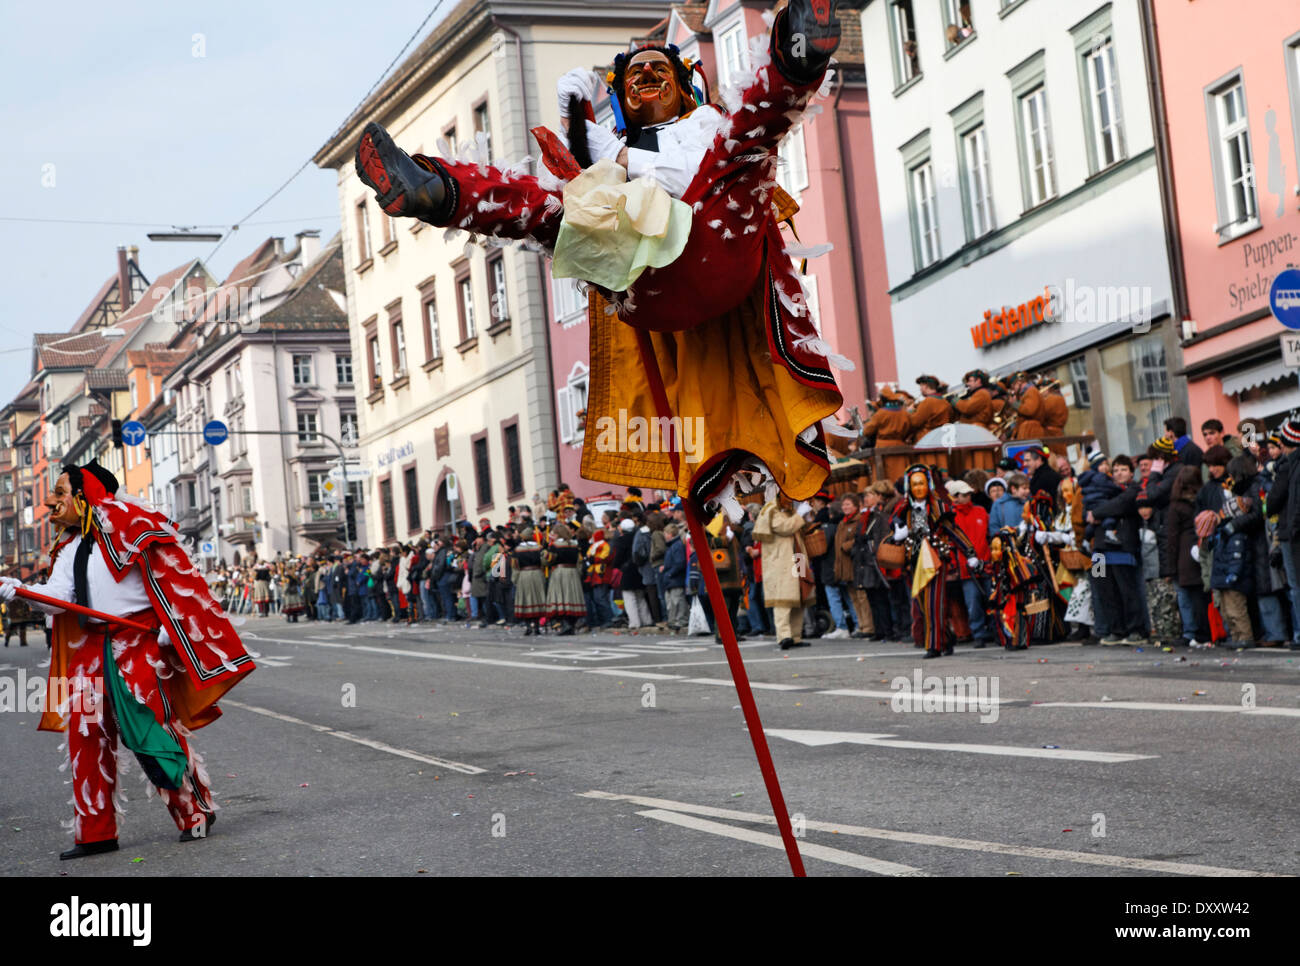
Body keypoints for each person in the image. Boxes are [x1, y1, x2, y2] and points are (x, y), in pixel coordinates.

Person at [355, 0, 847, 514]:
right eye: (634, 75)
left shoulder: (704, 125)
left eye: (660, 69)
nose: (647, 76)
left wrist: (608, 152)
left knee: (745, 146)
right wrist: (580, 137)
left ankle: (797, 55)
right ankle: (434, 190)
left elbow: (682, 177)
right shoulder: (605, 146)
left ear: (686, 88)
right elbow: (588, 200)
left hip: (714, 249)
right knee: (547, 207)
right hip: (645, 283)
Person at [0, 460, 253, 859]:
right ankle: (95, 832)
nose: (51, 502)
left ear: (86, 496)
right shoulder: (69, 546)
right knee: (85, 735)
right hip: (90, 645)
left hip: (136, 641)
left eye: (61, 493)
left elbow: (177, 578)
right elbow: (61, 599)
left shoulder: (134, 527)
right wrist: (21, 591)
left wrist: (176, 625)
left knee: (150, 733)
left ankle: (193, 812)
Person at [889, 464, 978, 658]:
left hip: (935, 558)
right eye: (914, 484)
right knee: (922, 605)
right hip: (913, 560)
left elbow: (953, 531)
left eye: (921, 483)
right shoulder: (904, 509)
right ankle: (945, 638)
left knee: (933, 602)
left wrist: (970, 553)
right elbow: (893, 531)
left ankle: (934, 645)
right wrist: (898, 534)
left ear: (928, 485)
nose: (918, 488)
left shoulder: (939, 507)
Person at [753, 497, 811, 649]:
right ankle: (784, 636)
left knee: (800, 596)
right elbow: (784, 528)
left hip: (798, 557)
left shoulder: (788, 510)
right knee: (783, 598)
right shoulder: (772, 510)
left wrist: (804, 516)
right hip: (782, 562)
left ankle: (796, 636)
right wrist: (800, 515)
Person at [946, 480, 992, 647]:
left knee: (992, 599)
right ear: (955, 497)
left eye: (968, 494)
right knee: (973, 603)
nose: (968, 497)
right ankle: (978, 633)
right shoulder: (950, 517)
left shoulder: (980, 511)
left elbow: (990, 534)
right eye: (964, 494)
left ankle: (995, 630)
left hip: (986, 563)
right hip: (966, 568)